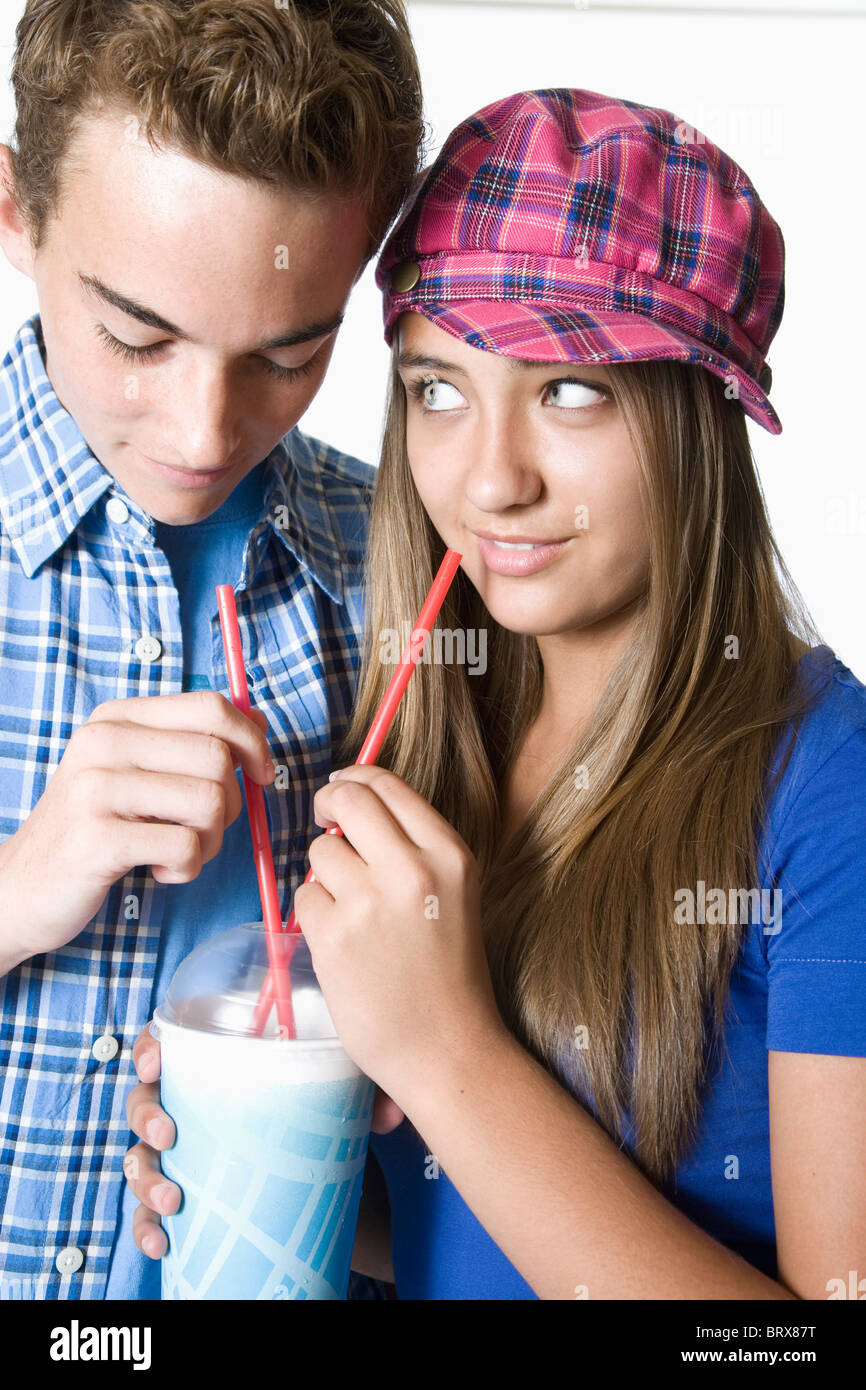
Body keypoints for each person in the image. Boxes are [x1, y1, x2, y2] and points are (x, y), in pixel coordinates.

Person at [128, 88, 866, 1301]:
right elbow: (467, 1234)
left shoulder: (828, 793)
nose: (488, 481)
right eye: (436, 390)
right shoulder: (432, 735)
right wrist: (273, 1156)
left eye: (569, 390)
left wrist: (444, 1054)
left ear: (697, 411)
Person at [0, 0, 424, 1300]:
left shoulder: (405, 570)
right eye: (138, 335)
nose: (203, 429)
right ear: (14, 210)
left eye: (289, 352)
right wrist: (23, 888)